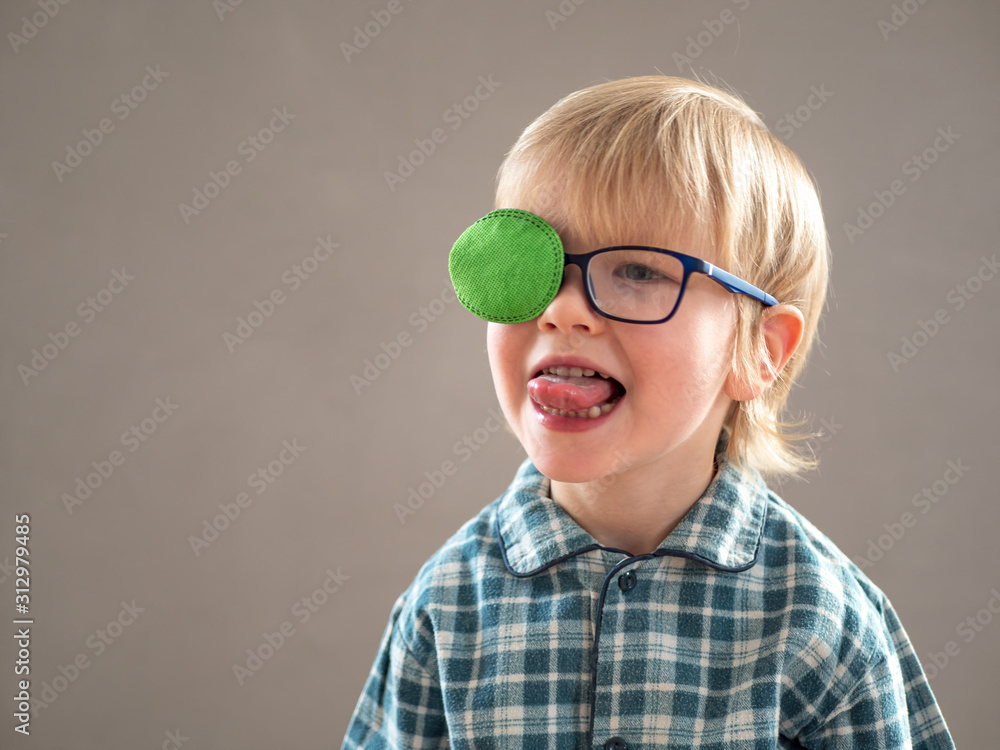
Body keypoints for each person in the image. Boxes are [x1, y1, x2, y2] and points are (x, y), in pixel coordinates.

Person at [341, 75, 955, 749]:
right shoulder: (446, 607)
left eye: (637, 271)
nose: (562, 308)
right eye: (531, 263)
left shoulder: (820, 623)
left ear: (758, 349)